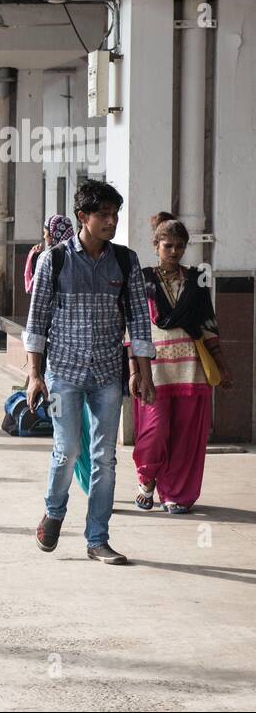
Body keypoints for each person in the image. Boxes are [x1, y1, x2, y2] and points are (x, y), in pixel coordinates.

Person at [25, 179, 156, 565]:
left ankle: (98, 538)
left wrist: (143, 373)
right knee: (67, 451)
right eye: (103, 215)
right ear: (83, 216)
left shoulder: (126, 261)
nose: (111, 222)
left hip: (106, 376)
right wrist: (35, 375)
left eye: (115, 215)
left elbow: (138, 321)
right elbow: (37, 323)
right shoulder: (55, 260)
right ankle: (54, 511)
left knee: (105, 458)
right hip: (63, 373)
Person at [132, 213, 232, 514]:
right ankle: (147, 480)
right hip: (155, 371)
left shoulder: (196, 280)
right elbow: (133, 328)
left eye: (179, 246)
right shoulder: (143, 280)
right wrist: (134, 371)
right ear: (155, 245)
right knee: (155, 430)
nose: (174, 252)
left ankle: (175, 494)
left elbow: (208, 325)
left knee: (187, 435)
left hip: (192, 370)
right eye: (168, 246)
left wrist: (222, 366)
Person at [22, 214, 89, 495]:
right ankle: (85, 483)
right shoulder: (72, 258)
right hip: (64, 351)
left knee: (70, 431)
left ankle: (83, 482)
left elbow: (30, 288)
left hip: (55, 352)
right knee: (80, 429)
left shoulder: (48, 258)